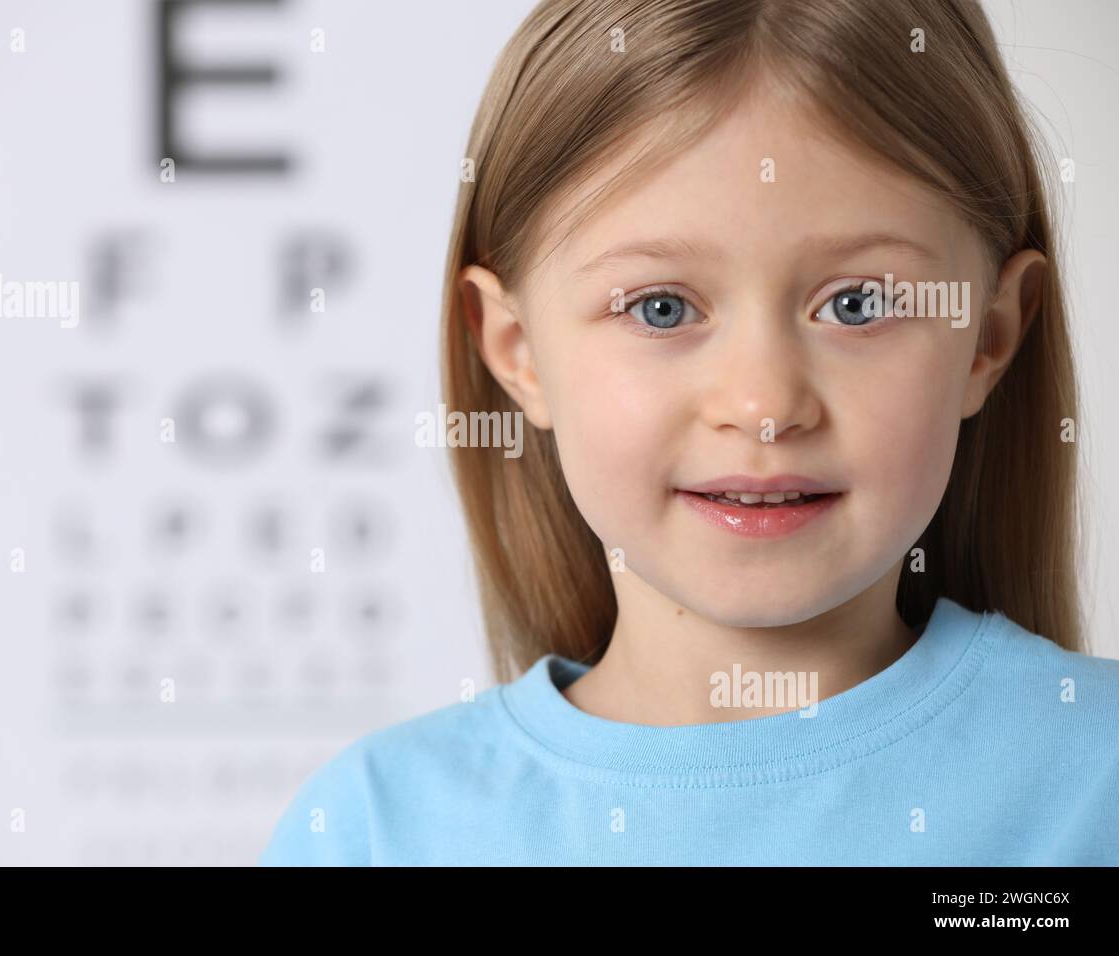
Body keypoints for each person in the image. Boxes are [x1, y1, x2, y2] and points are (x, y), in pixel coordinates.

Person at [259, 0, 1119, 865]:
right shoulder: (376, 828)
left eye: (858, 305)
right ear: (515, 352)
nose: (764, 406)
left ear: (992, 336)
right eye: (660, 308)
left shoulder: (1097, 782)